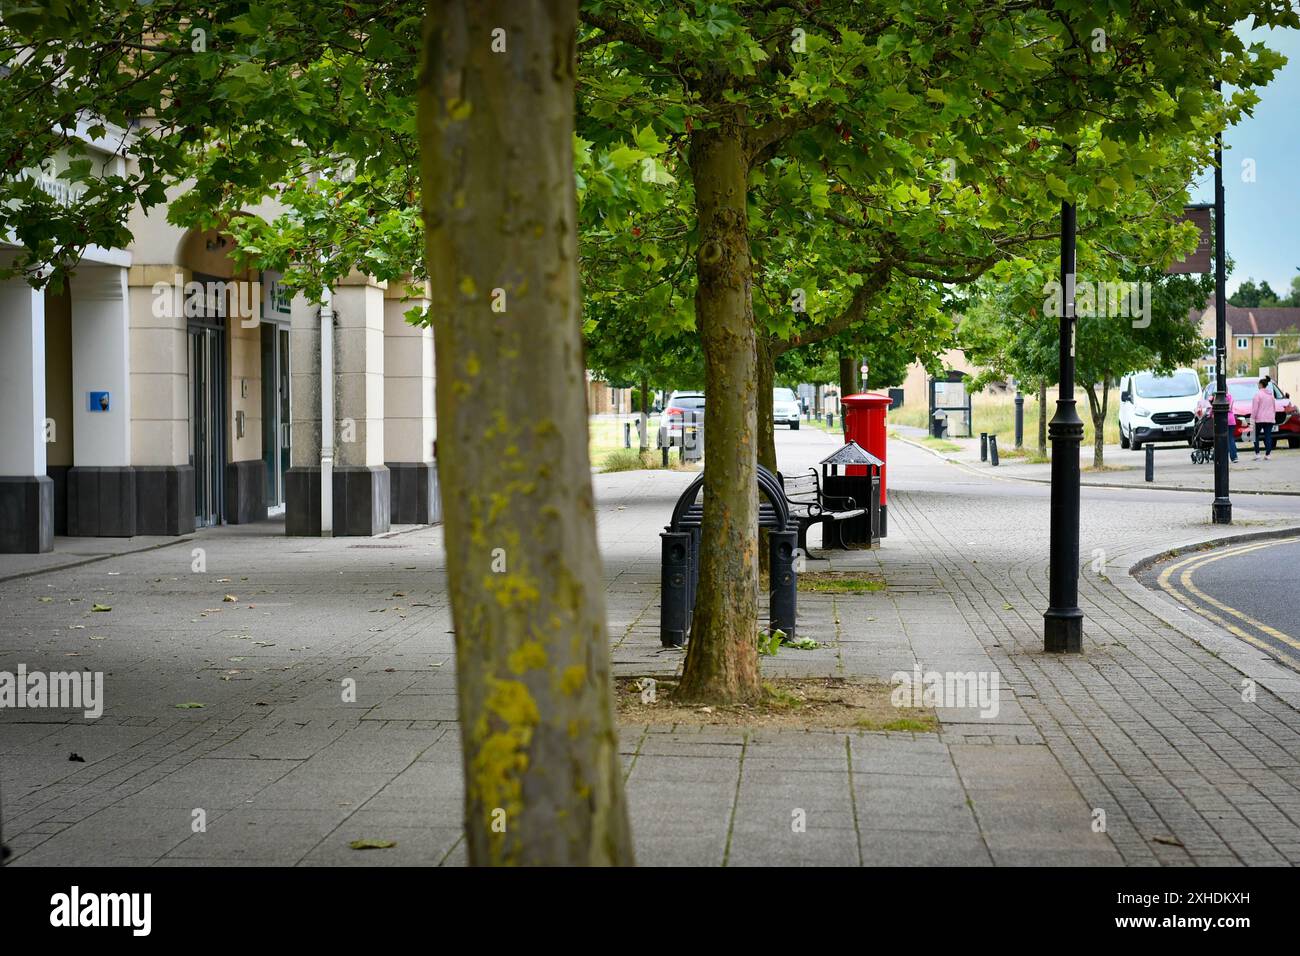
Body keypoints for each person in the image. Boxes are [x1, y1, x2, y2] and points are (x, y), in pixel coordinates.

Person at [1251, 377, 1278, 461]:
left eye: (1258, 384)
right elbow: (1274, 408)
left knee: (1254, 435)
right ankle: (1268, 454)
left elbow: (1255, 409)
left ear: (1261, 385)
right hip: (1270, 419)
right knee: (1268, 436)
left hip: (1259, 419)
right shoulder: (1271, 395)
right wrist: (1273, 417)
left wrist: (1252, 418)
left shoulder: (1257, 395)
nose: (1257, 385)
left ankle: (1257, 454)